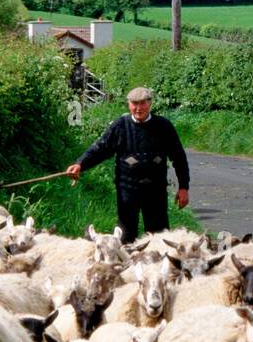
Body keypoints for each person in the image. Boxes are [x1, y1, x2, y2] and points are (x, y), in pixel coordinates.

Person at [65, 87, 190, 243]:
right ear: (128, 105)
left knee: (159, 236)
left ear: (150, 103)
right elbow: (101, 148)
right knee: (125, 236)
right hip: (127, 192)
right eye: (134, 104)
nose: (138, 108)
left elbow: (179, 157)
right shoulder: (120, 126)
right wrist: (80, 164)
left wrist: (184, 187)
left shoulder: (163, 126)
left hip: (156, 191)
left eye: (142, 103)